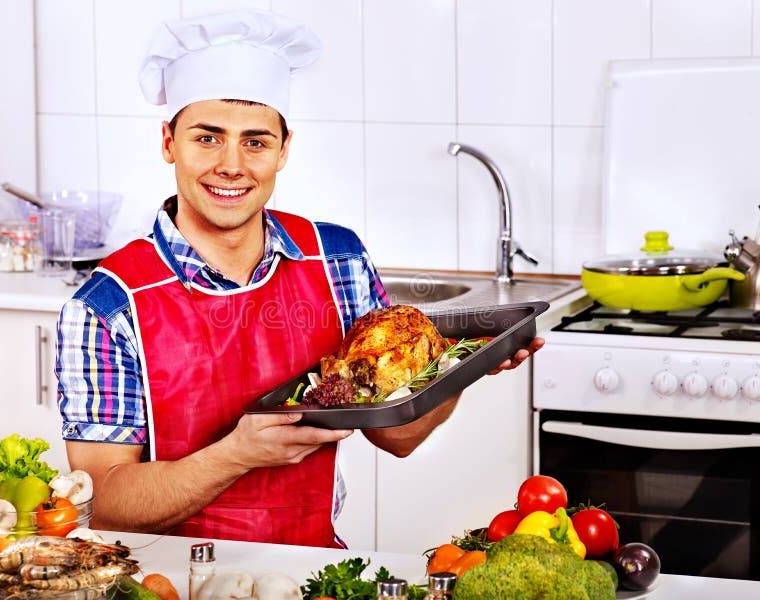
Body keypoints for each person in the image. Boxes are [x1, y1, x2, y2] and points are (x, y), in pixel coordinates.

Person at [55, 9, 543, 548]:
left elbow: (397, 435)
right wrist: (236, 454)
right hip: (164, 575)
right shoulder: (107, 304)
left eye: (256, 142)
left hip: (314, 569)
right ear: (169, 142)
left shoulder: (337, 259)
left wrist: (460, 367)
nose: (232, 165)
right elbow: (106, 504)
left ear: (284, 150)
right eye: (208, 138)